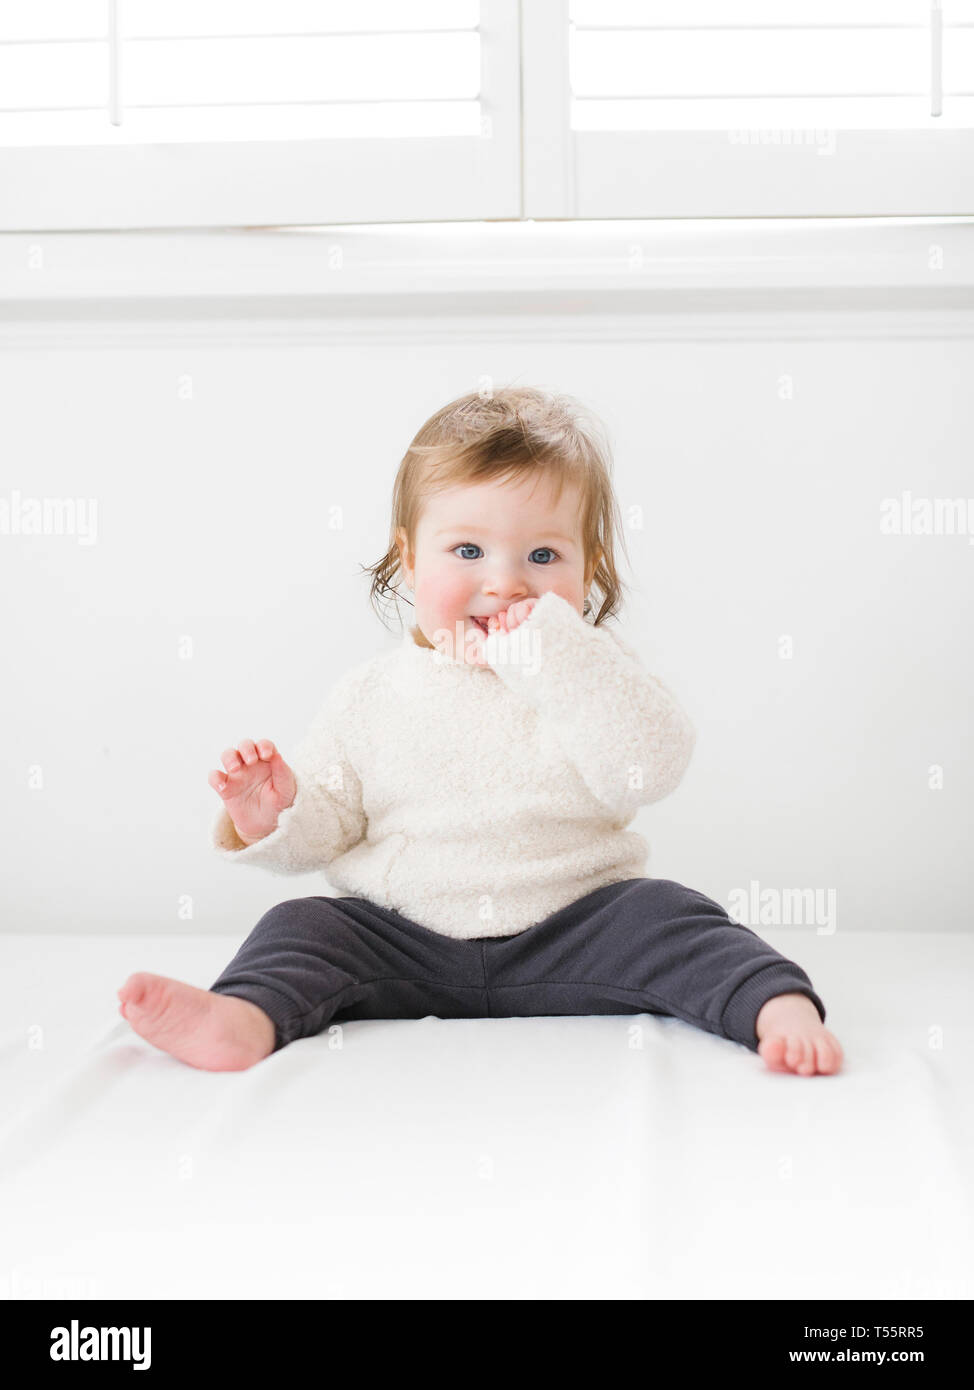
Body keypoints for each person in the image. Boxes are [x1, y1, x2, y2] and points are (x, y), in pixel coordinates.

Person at [117, 386, 843, 1077]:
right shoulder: (371, 694)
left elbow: (649, 768)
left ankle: (773, 1009)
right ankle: (242, 1018)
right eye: (468, 552)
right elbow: (329, 829)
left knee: (672, 913)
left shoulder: (591, 669)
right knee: (302, 924)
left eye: (543, 556)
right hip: (406, 939)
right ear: (409, 558)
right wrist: (270, 810)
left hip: (574, 926)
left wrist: (554, 653)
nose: (505, 582)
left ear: (587, 570)